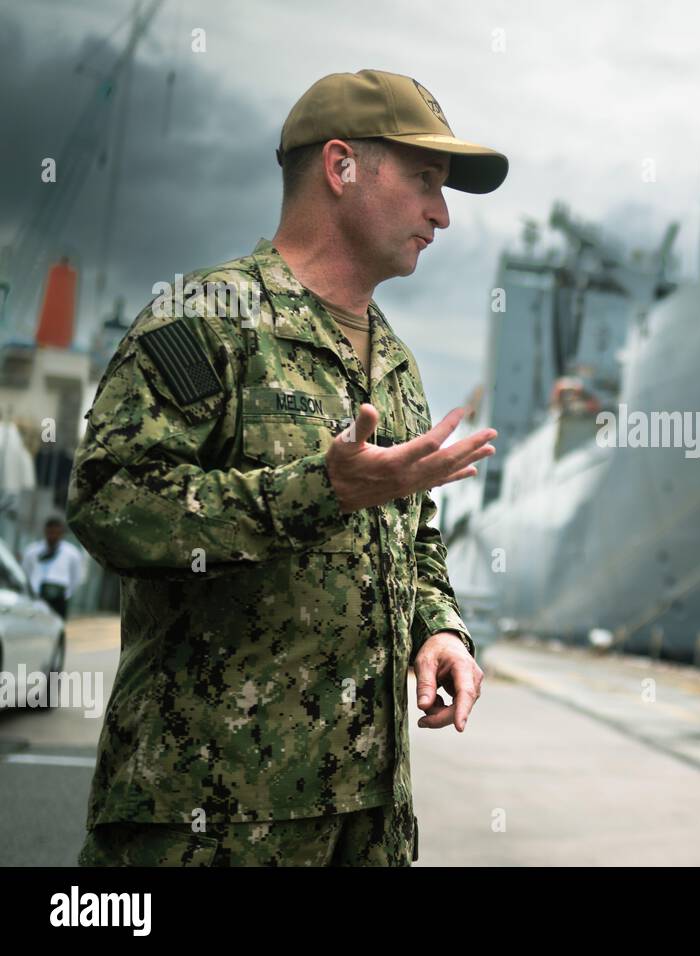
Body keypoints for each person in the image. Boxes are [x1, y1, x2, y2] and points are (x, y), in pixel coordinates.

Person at [67, 69, 504, 866]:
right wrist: (319, 490)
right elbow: (109, 502)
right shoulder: (203, 320)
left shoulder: (396, 364)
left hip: (367, 824)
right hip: (210, 821)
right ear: (341, 167)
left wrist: (437, 628)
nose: (442, 214)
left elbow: (414, 540)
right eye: (425, 182)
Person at [20, 516, 84, 620]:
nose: (53, 536)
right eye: (50, 532)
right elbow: (25, 573)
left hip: (59, 599)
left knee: (57, 629)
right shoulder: (32, 551)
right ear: (45, 531)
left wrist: (66, 594)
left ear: (62, 533)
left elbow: (76, 577)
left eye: (56, 533)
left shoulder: (72, 553)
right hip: (36, 598)